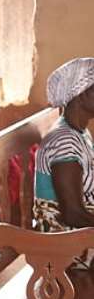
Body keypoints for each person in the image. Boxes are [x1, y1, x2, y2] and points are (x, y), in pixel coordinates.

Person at [33, 58, 94, 233]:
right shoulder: (64, 142)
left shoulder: (80, 132)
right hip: (63, 242)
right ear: (81, 95)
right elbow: (73, 214)